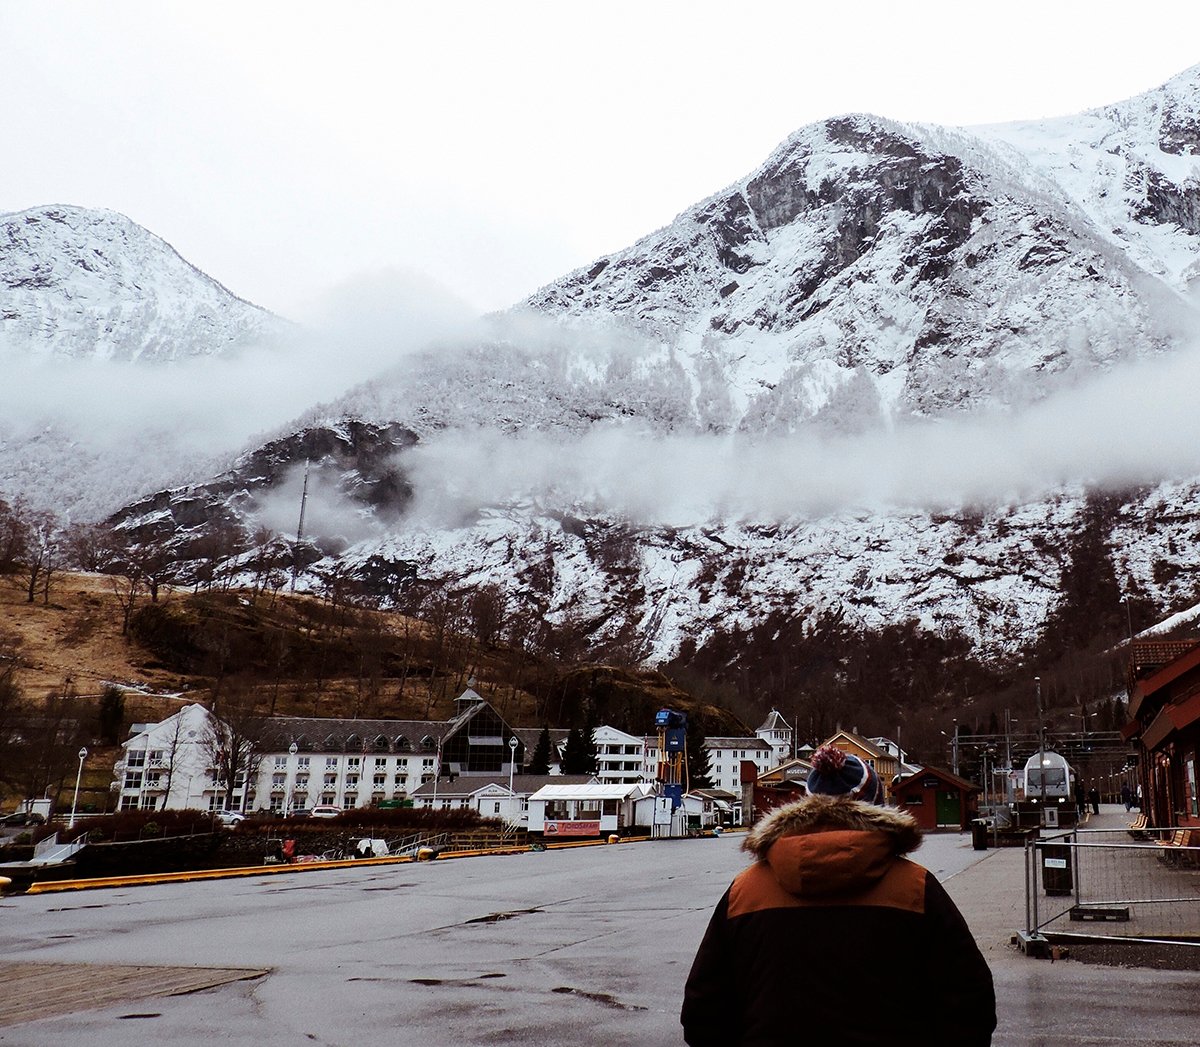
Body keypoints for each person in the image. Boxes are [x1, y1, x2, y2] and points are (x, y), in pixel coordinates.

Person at [681, 745, 995, 1045]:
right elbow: (969, 1001)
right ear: (876, 807)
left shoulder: (745, 891)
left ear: (805, 807)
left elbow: (703, 1009)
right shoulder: (916, 888)